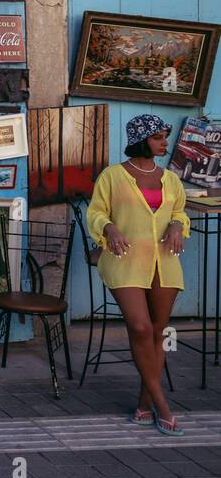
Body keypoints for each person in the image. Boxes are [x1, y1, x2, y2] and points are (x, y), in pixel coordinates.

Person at [86, 114, 189, 436]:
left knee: (158, 331)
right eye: (158, 137)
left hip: (164, 262)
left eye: (165, 136)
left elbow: (179, 212)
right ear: (142, 139)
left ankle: (144, 405)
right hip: (125, 259)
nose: (164, 142)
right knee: (141, 327)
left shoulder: (170, 179)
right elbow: (96, 211)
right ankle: (163, 405)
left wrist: (176, 224)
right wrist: (109, 227)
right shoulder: (113, 176)